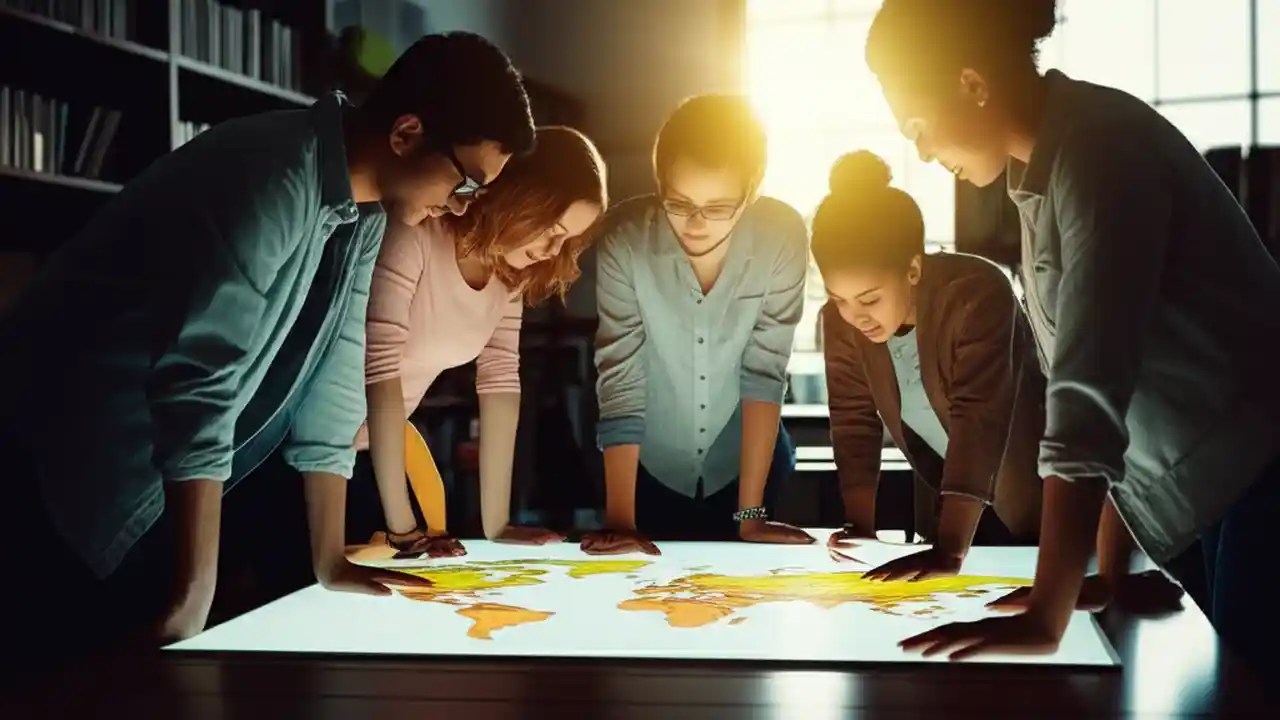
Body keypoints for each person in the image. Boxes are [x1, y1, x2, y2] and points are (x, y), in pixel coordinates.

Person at [0, 32, 535, 654]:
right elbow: (200, 377)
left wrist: (329, 559)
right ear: (406, 133)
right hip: (49, 465)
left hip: (143, 487)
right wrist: (195, 590)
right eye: (466, 183)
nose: (463, 209)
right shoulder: (273, 173)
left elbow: (337, 381)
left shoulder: (366, 216)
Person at [861, 0, 1280, 674]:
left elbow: (1091, 393)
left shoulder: (1100, 149)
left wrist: (1047, 611)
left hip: (1262, 468)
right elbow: (1105, 399)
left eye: (916, 124)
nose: (922, 151)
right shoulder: (1039, 177)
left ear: (972, 83)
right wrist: (1101, 575)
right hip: (1214, 491)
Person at [352, 126, 608, 557]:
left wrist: (497, 523)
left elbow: (501, 379)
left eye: (567, 239)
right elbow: (379, 365)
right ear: (522, 197)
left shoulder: (510, 275)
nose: (553, 248)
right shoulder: (416, 231)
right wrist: (402, 527)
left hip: (367, 453)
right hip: (306, 451)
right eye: (552, 228)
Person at [583, 94, 815, 555]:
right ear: (659, 180)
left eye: (718, 207)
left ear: (752, 190)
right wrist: (621, 522)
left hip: (749, 466)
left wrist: (750, 519)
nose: (694, 223)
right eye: (679, 202)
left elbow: (765, 375)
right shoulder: (625, 243)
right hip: (647, 468)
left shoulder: (781, 238)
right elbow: (621, 378)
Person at [814, 150, 1044, 581]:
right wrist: (861, 528)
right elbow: (853, 422)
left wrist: (950, 553)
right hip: (953, 507)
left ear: (913, 269)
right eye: (837, 298)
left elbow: (977, 419)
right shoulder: (840, 323)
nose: (854, 316)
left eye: (869, 298)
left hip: (1039, 494)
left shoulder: (976, 294)